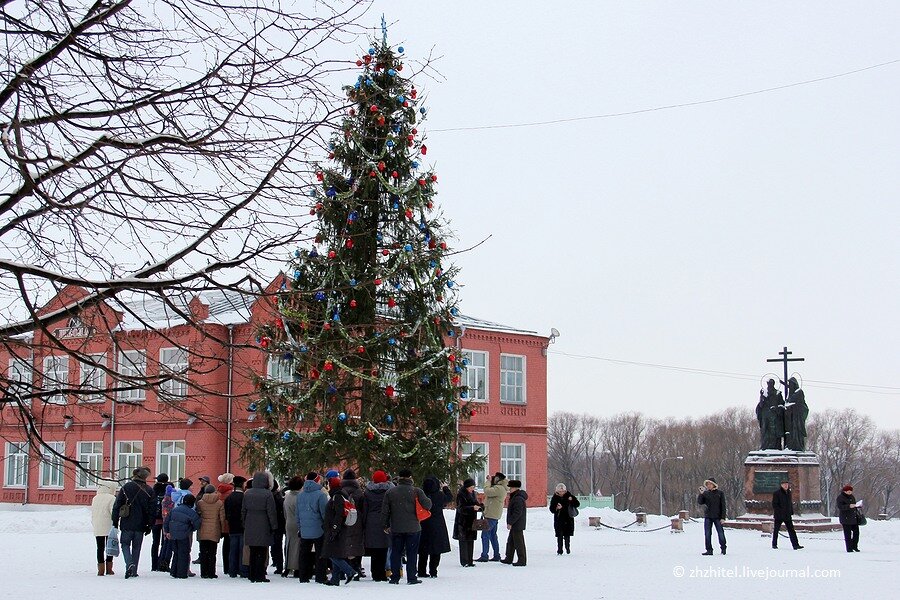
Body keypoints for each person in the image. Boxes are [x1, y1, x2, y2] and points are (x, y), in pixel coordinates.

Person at [382, 467, 432, 585]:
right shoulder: (416, 491)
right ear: (410, 478)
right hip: (413, 527)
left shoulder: (391, 492)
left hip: (396, 527)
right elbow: (428, 505)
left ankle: (395, 577)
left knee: (396, 552)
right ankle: (411, 577)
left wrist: (385, 525)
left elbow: (385, 511)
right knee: (412, 552)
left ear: (399, 478)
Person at [111, 466, 156, 578]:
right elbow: (153, 510)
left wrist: (115, 521)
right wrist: (150, 525)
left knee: (125, 544)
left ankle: (129, 563)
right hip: (141, 524)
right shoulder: (149, 490)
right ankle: (134, 570)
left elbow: (117, 505)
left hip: (127, 522)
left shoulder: (126, 487)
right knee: (137, 547)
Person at [322, 476, 358, 586]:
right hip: (340, 529)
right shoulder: (340, 494)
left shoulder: (337, 496)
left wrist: (334, 529)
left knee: (330, 553)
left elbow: (338, 515)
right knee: (336, 553)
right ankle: (335, 579)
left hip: (337, 529)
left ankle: (350, 572)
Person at [242, 471, 278, 583]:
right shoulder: (268, 494)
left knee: (252, 551)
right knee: (262, 552)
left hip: (250, 524)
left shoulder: (247, 493)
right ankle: (260, 574)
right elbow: (271, 512)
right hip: (263, 525)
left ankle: (252, 574)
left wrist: (244, 523)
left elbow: (243, 511)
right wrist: (274, 526)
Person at [296, 471, 329, 584]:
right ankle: (320, 576)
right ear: (317, 480)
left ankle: (303, 576)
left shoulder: (300, 495)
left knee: (304, 554)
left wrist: (300, 527)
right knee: (320, 553)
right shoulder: (321, 495)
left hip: (304, 529)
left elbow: (298, 514)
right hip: (318, 529)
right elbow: (324, 513)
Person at [418, 475, 452, 577]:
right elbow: (449, 497)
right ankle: (433, 570)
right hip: (437, 524)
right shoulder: (440, 495)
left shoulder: (421, 495)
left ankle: (421, 571)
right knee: (436, 549)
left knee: (423, 549)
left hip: (423, 523)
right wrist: (445, 488)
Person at [363, 470, 392, 582]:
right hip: (384, 520)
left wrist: (365, 522)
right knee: (384, 548)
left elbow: (365, 508)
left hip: (371, 521)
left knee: (374, 549)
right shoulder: (389, 492)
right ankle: (382, 573)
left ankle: (375, 573)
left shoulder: (367, 492)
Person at [164, 493, 202, 579]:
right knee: (184, 553)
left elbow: (167, 521)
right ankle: (182, 573)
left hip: (173, 534)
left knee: (176, 553)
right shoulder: (191, 512)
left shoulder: (174, 510)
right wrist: (191, 528)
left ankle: (174, 571)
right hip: (184, 534)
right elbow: (197, 523)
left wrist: (167, 531)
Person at [340, 470, 367, 579]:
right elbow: (363, 509)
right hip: (357, 521)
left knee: (343, 544)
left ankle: (344, 569)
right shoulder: (359, 492)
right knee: (357, 545)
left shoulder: (341, 491)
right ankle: (356, 567)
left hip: (344, 521)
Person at [196, 483, 226, 578]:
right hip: (214, 529)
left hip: (203, 530)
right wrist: (222, 529)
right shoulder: (219, 503)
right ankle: (211, 572)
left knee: (203, 552)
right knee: (212, 553)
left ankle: (203, 572)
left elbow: (198, 515)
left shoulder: (200, 502)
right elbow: (222, 518)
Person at [476, 472, 507, 562]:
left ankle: (485, 555)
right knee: (493, 535)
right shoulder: (500, 488)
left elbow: (487, 491)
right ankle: (496, 555)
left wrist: (488, 482)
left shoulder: (499, 488)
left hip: (491, 515)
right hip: (493, 514)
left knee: (485, 535)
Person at [452, 478, 483, 567]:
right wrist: (472, 508)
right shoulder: (461, 494)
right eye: (471, 487)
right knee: (463, 542)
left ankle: (470, 560)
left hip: (471, 521)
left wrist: (481, 507)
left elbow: (476, 503)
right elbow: (460, 508)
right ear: (467, 487)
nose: (472, 489)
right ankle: (464, 561)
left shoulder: (473, 493)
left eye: (473, 487)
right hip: (463, 521)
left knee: (470, 541)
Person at [91, 479, 118, 576]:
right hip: (108, 526)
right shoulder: (112, 498)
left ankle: (100, 570)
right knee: (109, 547)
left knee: (100, 548)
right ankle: (109, 569)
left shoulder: (95, 498)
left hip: (97, 525)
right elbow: (113, 512)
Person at [501, 479, 528, 566]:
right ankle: (509, 558)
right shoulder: (516, 497)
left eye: (511, 488)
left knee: (519, 543)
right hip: (516, 524)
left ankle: (522, 560)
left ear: (515, 488)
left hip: (517, 524)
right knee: (511, 542)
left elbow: (517, 512)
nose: (509, 490)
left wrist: (510, 522)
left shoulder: (518, 498)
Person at [698, 477, 727, 556]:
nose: (708, 485)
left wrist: (723, 517)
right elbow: (700, 502)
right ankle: (709, 550)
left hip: (717, 517)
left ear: (714, 485)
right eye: (707, 484)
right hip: (708, 516)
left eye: (710, 484)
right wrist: (701, 494)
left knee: (720, 533)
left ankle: (723, 548)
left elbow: (723, 506)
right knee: (707, 534)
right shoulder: (705, 493)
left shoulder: (720, 493)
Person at [549, 483, 580, 555]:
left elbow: (577, 504)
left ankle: (568, 548)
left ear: (565, 491)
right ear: (557, 491)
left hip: (568, 518)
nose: (562, 493)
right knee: (559, 535)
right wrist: (557, 508)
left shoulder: (569, 496)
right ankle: (559, 550)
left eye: (563, 491)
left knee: (567, 535)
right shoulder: (555, 498)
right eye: (560, 491)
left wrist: (572, 500)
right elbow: (551, 509)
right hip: (559, 519)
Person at [282, 475, 304, 577]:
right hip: (297, 523)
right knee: (297, 546)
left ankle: (287, 566)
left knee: (289, 544)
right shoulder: (300, 497)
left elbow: (285, 512)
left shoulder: (287, 496)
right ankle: (296, 567)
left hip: (289, 522)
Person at [772, 479, 803, 550]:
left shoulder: (789, 492)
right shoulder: (777, 493)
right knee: (776, 530)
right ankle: (774, 544)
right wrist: (780, 512)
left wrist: (790, 512)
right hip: (779, 516)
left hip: (787, 515)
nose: (786, 486)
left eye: (787, 484)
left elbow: (789, 504)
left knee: (791, 530)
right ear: (781, 485)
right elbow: (775, 504)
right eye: (784, 484)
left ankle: (795, 545)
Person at [756, 379, 785, 450]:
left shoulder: (777, 393)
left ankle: (775, 446)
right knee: (765, 430)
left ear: (773, 384)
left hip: (774, 416)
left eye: (770, 384)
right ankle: (765, 446)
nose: (769, 385)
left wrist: (776, 408)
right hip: (765, 415)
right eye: (768, 384)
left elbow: (782, 405)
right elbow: (760, 405)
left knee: (773, 431)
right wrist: (761, 397)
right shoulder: (764, 393)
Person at [216, 473, 235, 575]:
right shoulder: (231, 492)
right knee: (232, 544)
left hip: (222, 521)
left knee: (226, 545)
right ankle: (231, 566)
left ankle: (226, 566)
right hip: (230, 521)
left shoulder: (219, 491)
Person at [784, 377, 809, 451]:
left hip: (797, 417)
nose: (790, 386)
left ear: (794, 384)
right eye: (789, 384)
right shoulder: (792, 393)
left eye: (791, 384)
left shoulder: (799, 392)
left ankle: (797, 446)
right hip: (792, 416)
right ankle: (791, 445)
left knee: (797, 430)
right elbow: (788, 401)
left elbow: (792, 400)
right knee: (791, 431)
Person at [150, 473, 169, 571]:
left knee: (155, 542)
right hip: (166, 520)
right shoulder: (169, 490)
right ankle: (162, 562)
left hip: (155, 520)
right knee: (164, 542)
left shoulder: (154, 490)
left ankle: (154, 565)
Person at [837, 484, 862, 552]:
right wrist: (849, 506)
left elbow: (854, 505)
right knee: (847, 534)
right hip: (845, 518)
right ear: (845, 491)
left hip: (853, 518)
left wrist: (857, 506)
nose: (850, 492)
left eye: (851, 491)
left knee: (856, 533)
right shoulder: (840, 497)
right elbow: (840, 507)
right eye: (848, 491)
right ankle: (849, 548)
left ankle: (855, 546)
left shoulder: (852, 497)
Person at [158, 484, 175, 571]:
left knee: (165, 544)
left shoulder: (164, 500)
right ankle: (165, 563)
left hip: (164, 523)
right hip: (170, 524)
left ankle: (160, 562)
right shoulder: (171, 501)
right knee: (169, 545)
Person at [270, 479, 286, 575]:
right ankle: (277, 563)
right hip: (279, 524)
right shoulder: (278, 496)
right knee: (277, 544)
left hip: (276, 524)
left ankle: (277, 562)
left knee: (276, 544)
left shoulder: (273, 496)